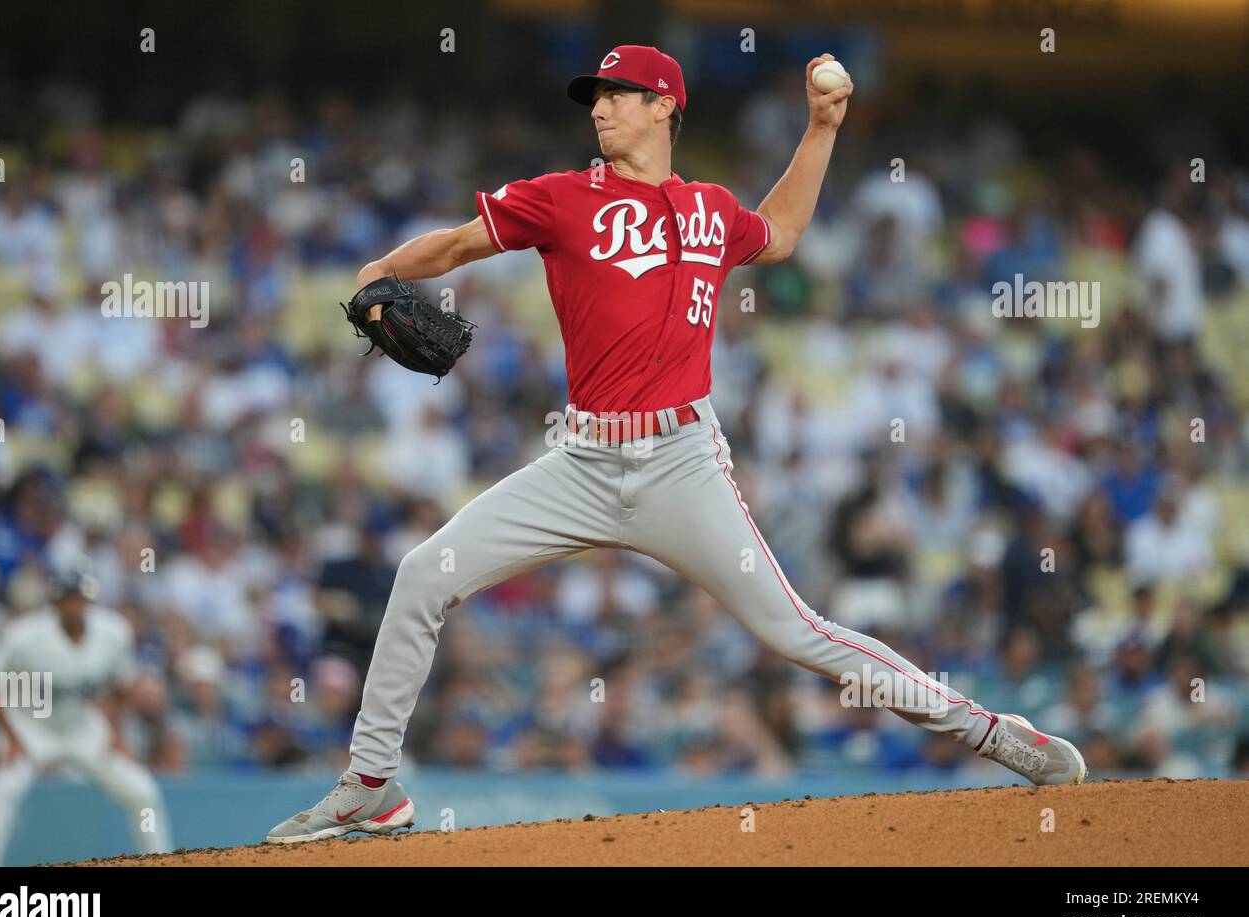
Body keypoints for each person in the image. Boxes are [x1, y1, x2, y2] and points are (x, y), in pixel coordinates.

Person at [267, 45, 1085, 844]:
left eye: (619, 93)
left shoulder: (712, 210)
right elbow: (451, 247)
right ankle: (371, 787)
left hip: (682, 463)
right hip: (578, 462)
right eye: (595, 96)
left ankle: (990, 733)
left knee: (796, 632)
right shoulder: (559, 198)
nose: (600, 107)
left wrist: (823, 126)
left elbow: (783, 233)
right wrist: (379, 265)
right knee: (421, 574)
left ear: (665, 106)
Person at [0, 568, 173, 865]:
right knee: (3, 791)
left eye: (80, 599)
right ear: (54, 603)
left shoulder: (113, 631)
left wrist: (115, 731)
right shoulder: (24, 636)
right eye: (67, 599)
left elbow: (124, 682)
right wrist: (10, 738)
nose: (74, 605)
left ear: (90, 601)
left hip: (81, 724)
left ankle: (159, 860)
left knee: (142, 791)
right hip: (29, 724)